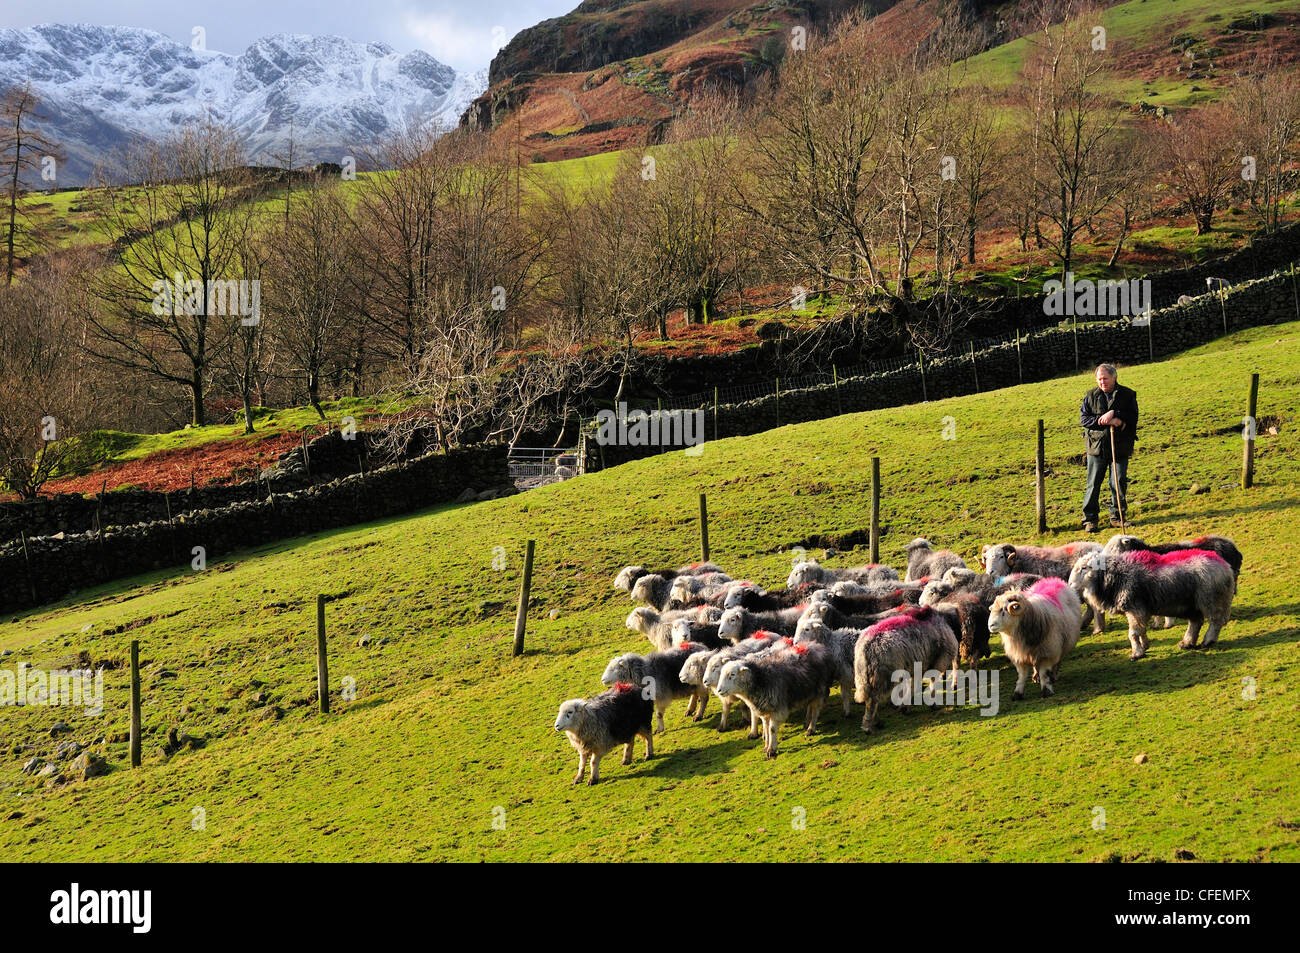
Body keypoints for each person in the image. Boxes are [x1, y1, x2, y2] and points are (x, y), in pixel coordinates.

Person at [1080, 363, 1138, 532]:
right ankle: (1090, 520)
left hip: (1120, 446)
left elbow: (1133, 416)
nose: (1102, 382)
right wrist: (1101, 420)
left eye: (1105, 378)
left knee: (1118, 482)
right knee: (1093, 483)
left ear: (1114, 377)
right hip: (1096, 447)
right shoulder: (1090, 396)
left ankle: (1118, 516)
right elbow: (1084, 420)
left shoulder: (1127, 394)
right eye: (1099, 379)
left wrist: (1116, 416)